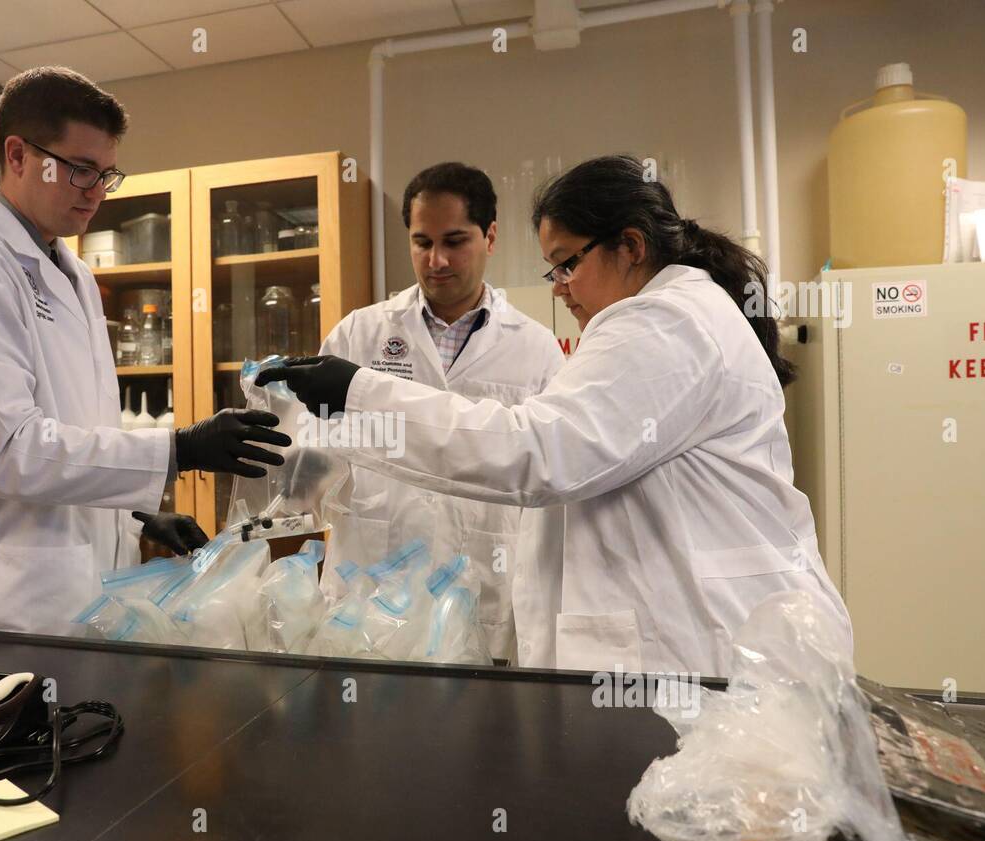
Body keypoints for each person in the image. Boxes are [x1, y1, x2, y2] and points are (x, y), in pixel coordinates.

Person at [258, 155, 851, 677]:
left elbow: (537, 453)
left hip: (707, 647)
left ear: (632, 246)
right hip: (387, 603)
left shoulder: (665, 323)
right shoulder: (666, 318)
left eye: (567, 263)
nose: (561, 288)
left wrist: (360, 393)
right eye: (552, 269)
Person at [0, 68, 288, 636]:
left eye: (106, 173)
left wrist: (137, 514)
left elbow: (75, 428)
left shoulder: (70, 271)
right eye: (79, 169)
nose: (96, 191)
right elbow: (10, 451)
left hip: (70, 596)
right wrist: (180, 450)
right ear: (17, 155)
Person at [317, 162, 564, 664]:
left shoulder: (537, 350)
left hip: (485, 598)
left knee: (481, 738)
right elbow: (316, 457)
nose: (436, 260)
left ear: (490, 236)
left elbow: (549, 481)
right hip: (370, 603)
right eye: (421, 242)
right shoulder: (357, 335)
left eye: (454, 241)